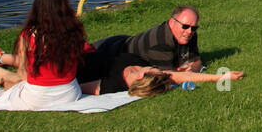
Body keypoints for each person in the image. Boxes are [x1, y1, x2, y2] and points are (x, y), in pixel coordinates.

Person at [0, 0, 89, 108]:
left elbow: (22, 75)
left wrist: (4, 73)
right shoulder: (74, 32)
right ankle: (1, 64)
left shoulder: (28, 36)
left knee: (13, 86)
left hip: (37, 98)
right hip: (69, 94)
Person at [75, 35, 245, 96]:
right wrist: (220, 77)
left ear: (142, 76)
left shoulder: (112, 85)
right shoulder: (143, 71)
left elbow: (78, 88)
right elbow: (183, 76)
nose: (159, 69)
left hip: (81, 55)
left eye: (155, 69)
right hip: (108, 46)